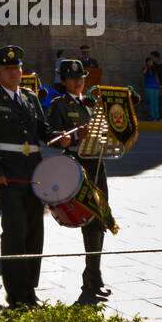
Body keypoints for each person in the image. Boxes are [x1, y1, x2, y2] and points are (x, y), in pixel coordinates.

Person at [0, 44, 70, 310]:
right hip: (9, 177)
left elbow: (43, 129)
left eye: (17, 68)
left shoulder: (29, 97)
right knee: (15, 234)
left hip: (35, 176)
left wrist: (60, 139)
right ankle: (16, 295)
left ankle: (30, 291)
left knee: (34, 234)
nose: (14, 73)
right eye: (7, 69)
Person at [47, 59, 111, 300]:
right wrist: (73, 136)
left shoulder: (92, 104)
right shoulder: (58, 105)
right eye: (73, 78)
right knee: (87, 219)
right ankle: (93, 277)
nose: (78, 81)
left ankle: (93, 276)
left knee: (99, 220)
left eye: (81, 77)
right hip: (76, 166)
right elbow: (52, 137)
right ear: (63, 81)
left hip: (98, 165)